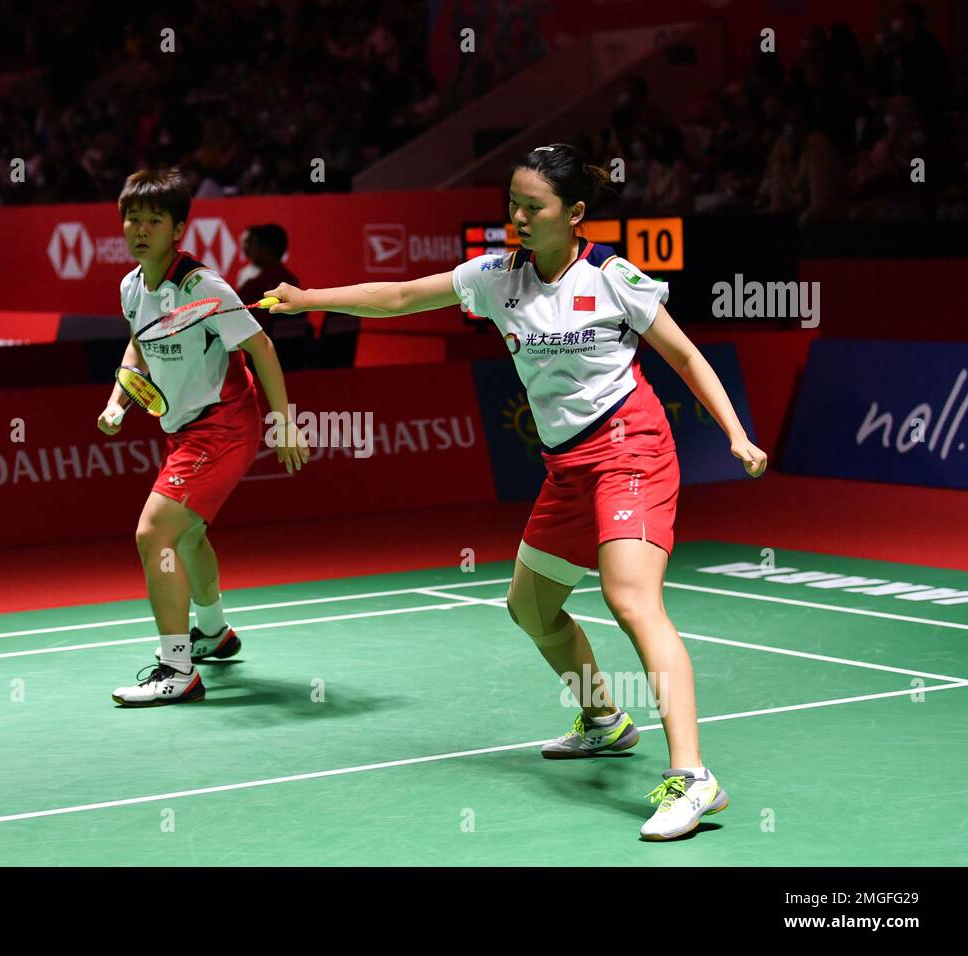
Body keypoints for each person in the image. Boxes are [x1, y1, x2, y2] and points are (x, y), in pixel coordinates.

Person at [265, 144, 767, 841]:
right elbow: (406, 296)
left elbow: (683, 354)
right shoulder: (497, 278)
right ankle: (603, 718)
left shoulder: (613, 277)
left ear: (576, 214)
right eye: (513, 205)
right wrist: (308, 297)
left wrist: (735, 433)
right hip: (566, 465)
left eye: (535, 207)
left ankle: (694, 777)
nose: (519, 219)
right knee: (530, 607)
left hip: (631, 451)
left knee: (630, 597)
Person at [98, 169, 309, 706]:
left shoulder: (202, 286)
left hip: (223, 426)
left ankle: (177, 669)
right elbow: (139, 345)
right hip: (181, 429)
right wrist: (118, 400)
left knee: (153, 535)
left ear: (178, 229)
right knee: (186, 535)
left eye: (154, 221)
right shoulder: (130, 286)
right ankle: (214, 632)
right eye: (134, 219)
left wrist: (283, 422)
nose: (141, 230)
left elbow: (260, 348)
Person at [237, 224, 301, 335]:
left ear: (266, 249)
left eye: (252, 245)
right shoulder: (292, 281)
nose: (248, 251)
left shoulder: (253, 287)